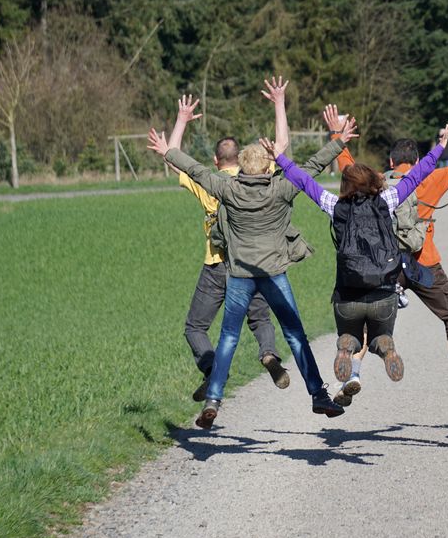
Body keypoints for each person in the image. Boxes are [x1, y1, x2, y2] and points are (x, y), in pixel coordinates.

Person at [146, 76, 346, 428]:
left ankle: (213, 400)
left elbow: (190, 167)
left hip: (236, 274)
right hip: (272, 275)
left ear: (241, 167)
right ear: (267, 166)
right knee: (295, 334)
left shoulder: (227, 188)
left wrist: (168, 151)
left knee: (226, 337)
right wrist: (337, 141)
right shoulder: (281, 187)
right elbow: (312, 166)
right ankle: (318, 395)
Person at [262, 115, 448, 407]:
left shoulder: (334, 205)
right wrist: (438, 148)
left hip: (348, 294)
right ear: (374, 182)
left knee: (349, 333)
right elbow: (416, 176)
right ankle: (386, 348)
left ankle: (345, 349)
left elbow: (305, 181)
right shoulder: (387, 201)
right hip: (383, 293)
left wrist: (280, 159)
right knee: (380, 333)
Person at [333, 116, 448, 410]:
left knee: (366, 321)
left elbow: (347, 168)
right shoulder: (430, 177)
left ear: (391, 162)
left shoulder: (375, 183)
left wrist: (337, 135)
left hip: (384, 267)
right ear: (417, 160)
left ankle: (351, 376)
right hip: (424, 262)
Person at [162, 94, 284, 401]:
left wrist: (182, 119)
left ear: (217, 161)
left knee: (195, 327)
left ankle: (213, 367)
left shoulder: (210, 182)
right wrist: (278, 104)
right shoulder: (259, 178)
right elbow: (282, 147)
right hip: (252, 265)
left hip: (216, 266)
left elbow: (171, 156)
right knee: (260, 320)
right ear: (242, 158)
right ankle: (269, 354)